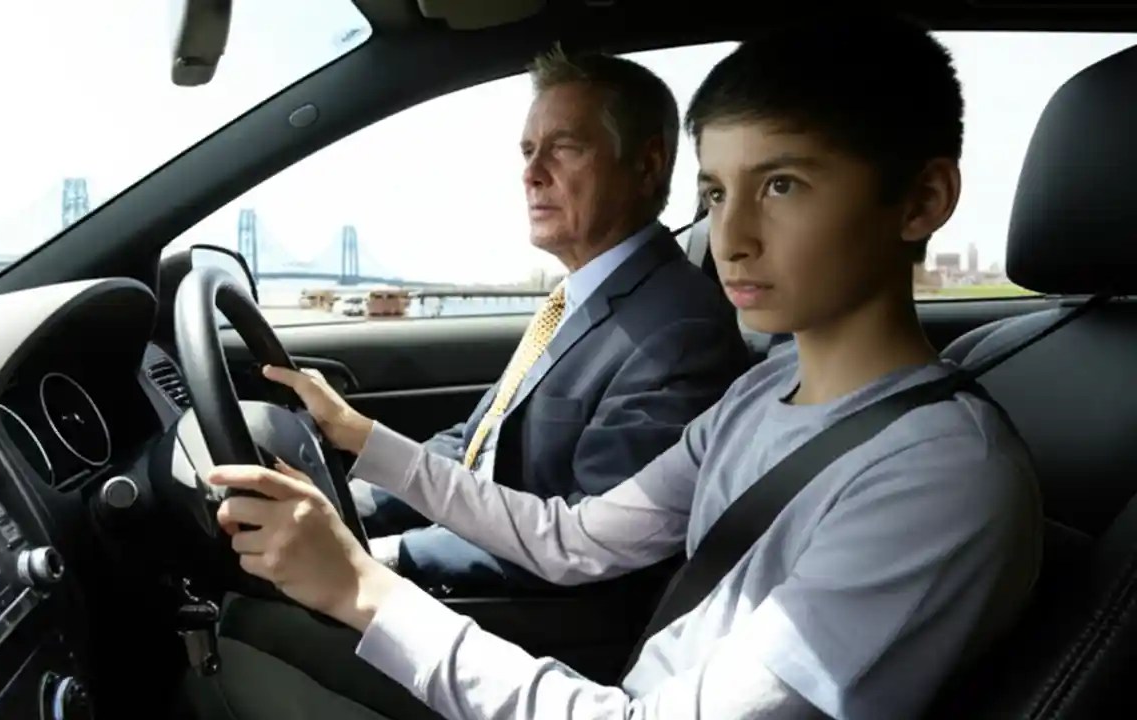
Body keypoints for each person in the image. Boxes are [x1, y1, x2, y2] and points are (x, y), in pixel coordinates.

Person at [195, 13, 1041, 720]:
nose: (732, 236)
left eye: (781, 186)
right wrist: (364, 449)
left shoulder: (937, 478)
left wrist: (365, 591)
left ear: (923, 201)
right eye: (715, 194)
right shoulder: (757, 396)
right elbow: (570, 540)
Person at [332, 46, 748, 593]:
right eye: (528, 151)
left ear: (646, 166)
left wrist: (385, 555)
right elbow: (475, 444)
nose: (531, 173)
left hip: (535, 620)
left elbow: (593, 555)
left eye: (565, 148)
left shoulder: (679, 330)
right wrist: (351, 501)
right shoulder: (576, 299)